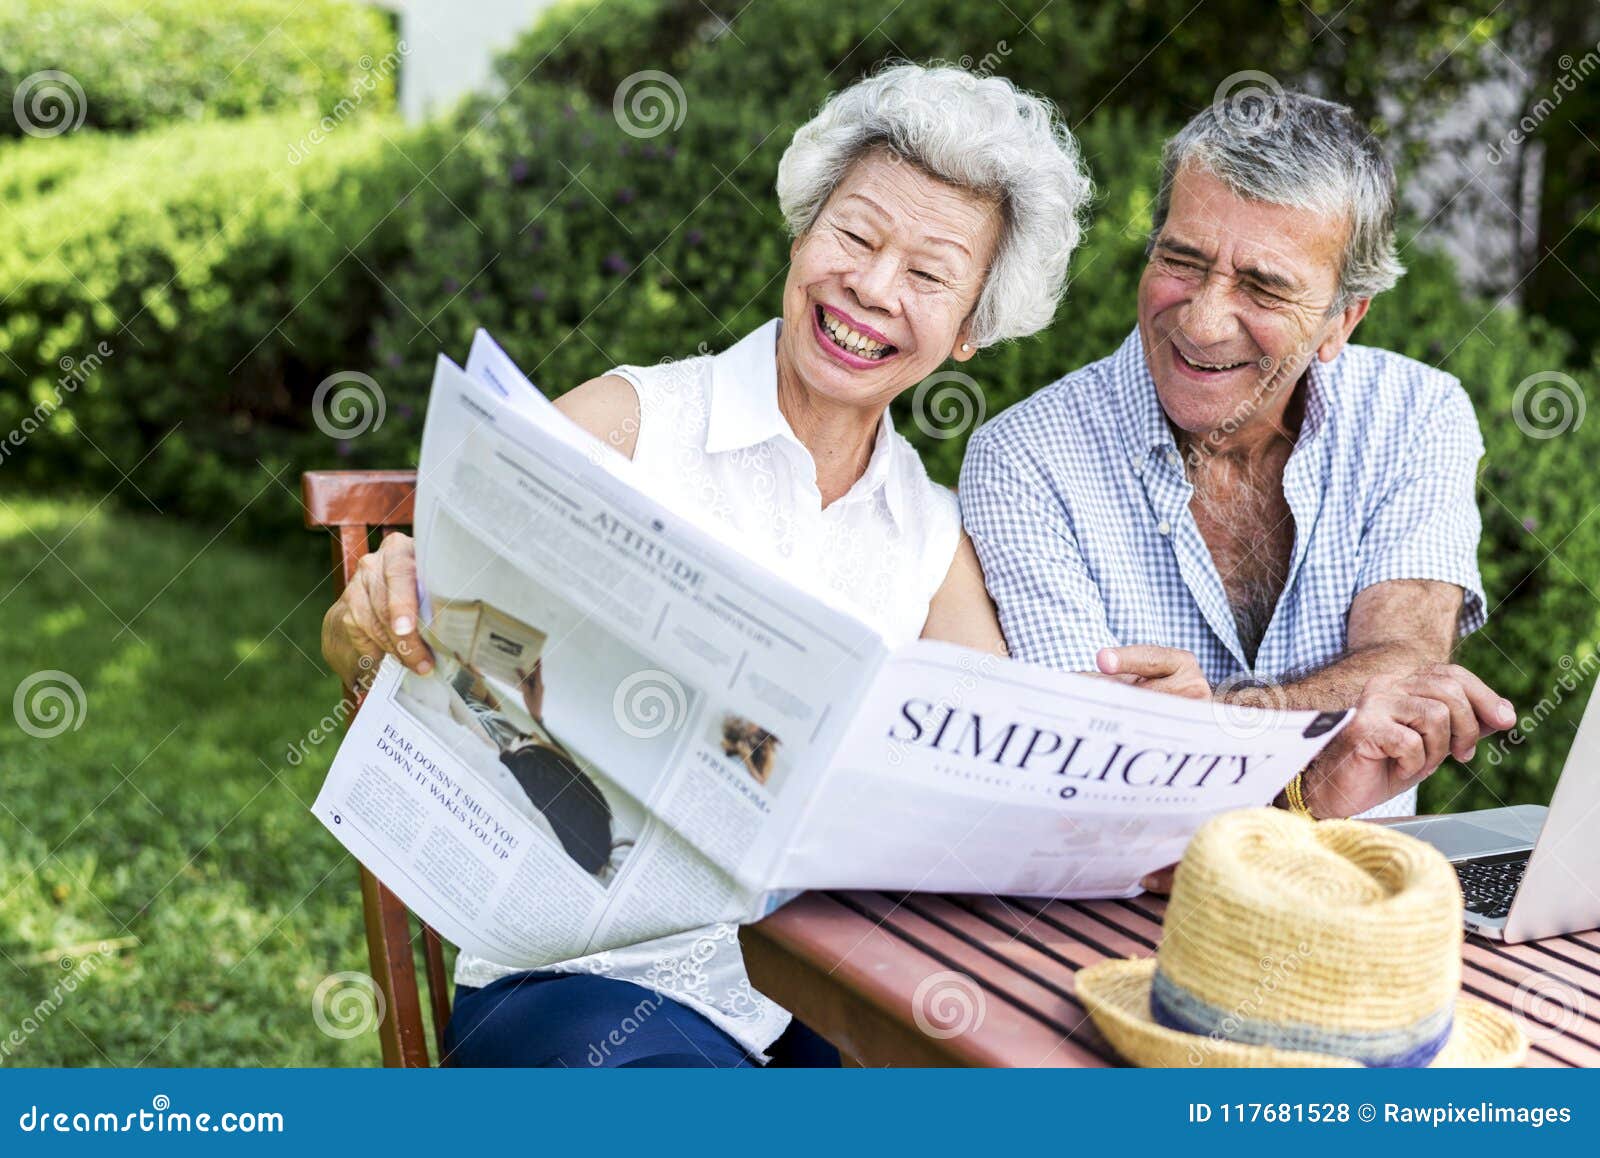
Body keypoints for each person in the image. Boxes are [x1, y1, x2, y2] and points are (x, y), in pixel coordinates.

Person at [320, 61, 1168, 1067]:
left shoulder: (930, 539)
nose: (873, 288)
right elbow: (380, 652)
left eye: (929, 275)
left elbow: (1005, 801)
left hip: (806, 998)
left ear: (969, 333)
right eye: (855, 236)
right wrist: (370, 617)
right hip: (578, 989)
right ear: (802, 232)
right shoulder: (628, 426)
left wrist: (1140, 748)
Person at [960, 89, 1517, 853]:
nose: (1201, 321)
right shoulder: (1026, 460)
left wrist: (1200, 729)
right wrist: (1306, 749)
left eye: (1263, 286)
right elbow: (1087, 777)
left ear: (1341, 320)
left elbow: (1405, 666)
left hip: (1359, 896)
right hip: (1128, 907)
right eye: (1181, 261)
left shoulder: (1416, 414)